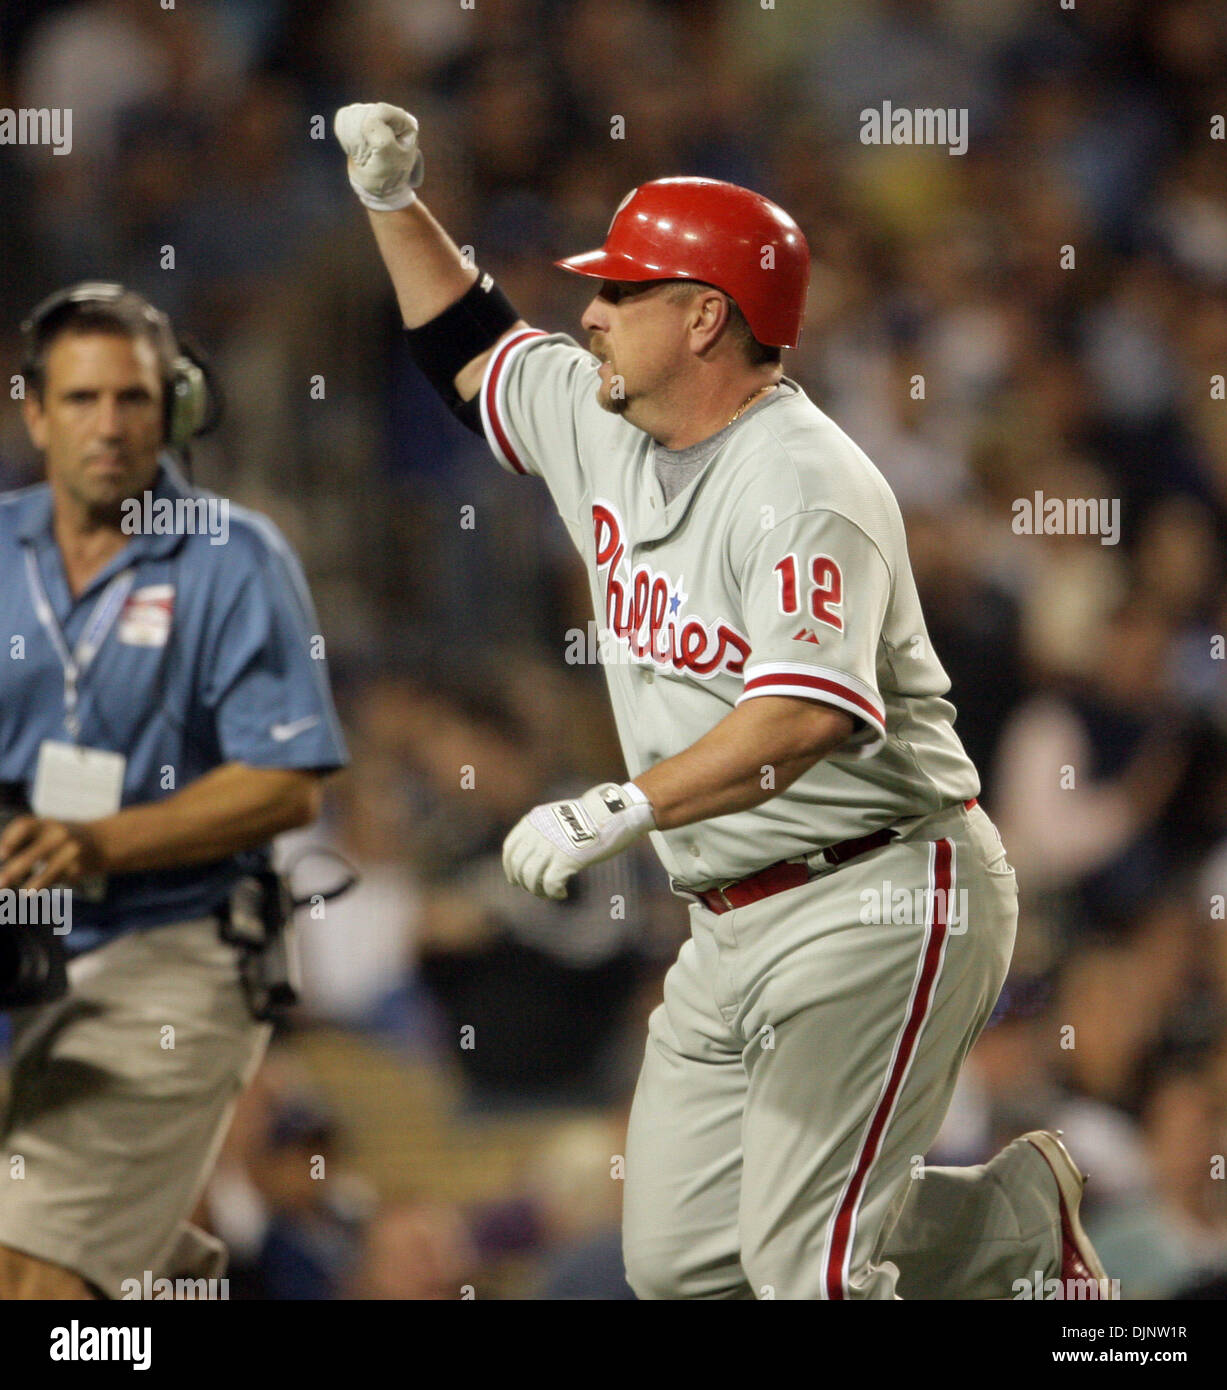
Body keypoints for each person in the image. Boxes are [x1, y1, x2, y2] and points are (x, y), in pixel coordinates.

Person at [334, 103, 1107, 1300]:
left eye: (624, 289)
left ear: (705, 315)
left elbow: (806, 716)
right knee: (678, 1261)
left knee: (807, 1270)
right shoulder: (606, 420)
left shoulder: (804, 482)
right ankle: (1004, 1226)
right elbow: (471, 351)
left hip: (878, 886)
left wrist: (618, 808)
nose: (589, 311)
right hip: (725, 915)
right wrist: (394, 204)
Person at [0, 283, 347, 1299]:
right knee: (128, 1281)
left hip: (175, 951)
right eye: (80, 399)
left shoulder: (234, 559)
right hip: (34, 960)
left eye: (134, 399)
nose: (109, 425)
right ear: (33, 410)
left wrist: (97, 842)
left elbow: (288, 787)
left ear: (175, 409)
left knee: (32, 1274)